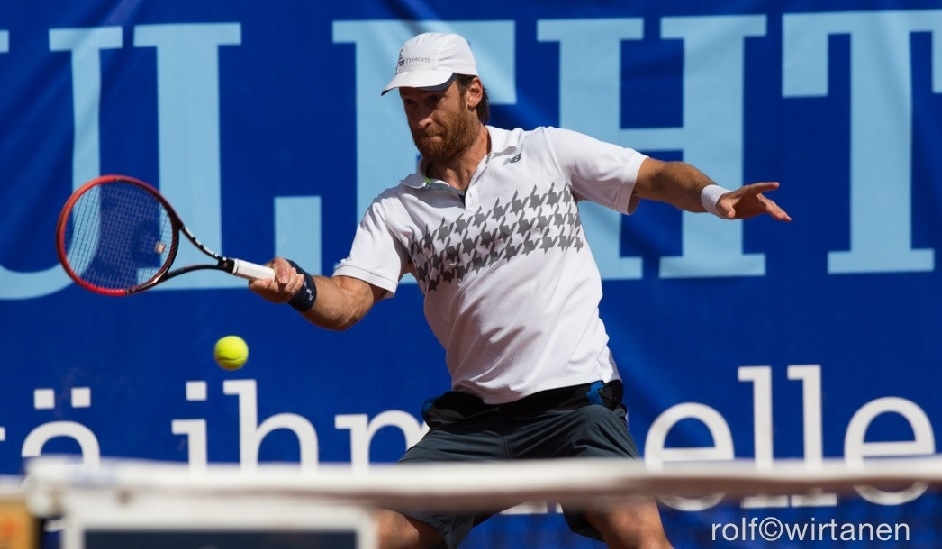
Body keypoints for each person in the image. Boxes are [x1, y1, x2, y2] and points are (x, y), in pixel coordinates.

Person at [249, 32, 790, 549]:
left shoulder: (547, 153)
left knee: (640, 538)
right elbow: (347, 300)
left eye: (433, 99)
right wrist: (300, 289)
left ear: (473, 93)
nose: (421, 116)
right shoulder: (395, 210)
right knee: (367, 536)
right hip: (477, 423)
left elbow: (655, 175)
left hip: (578, 405)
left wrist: (716, 197)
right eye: (410, 104)